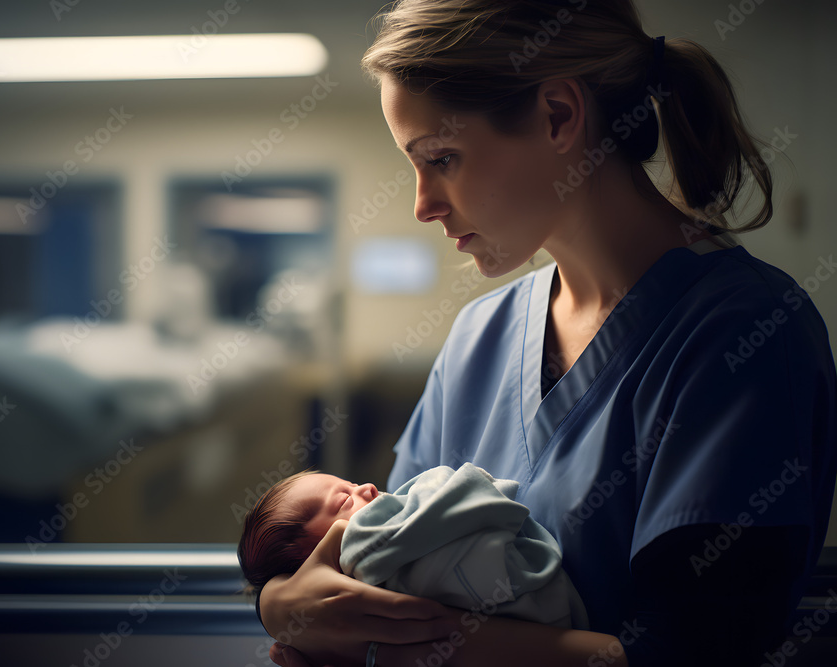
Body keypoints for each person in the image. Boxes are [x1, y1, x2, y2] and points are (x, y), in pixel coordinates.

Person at [257, 1, 837, 666]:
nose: (423, 204)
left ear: (559, 115)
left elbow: (691, 653)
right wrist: (279, 599)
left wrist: (379, 641)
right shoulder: (481, 334)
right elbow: (374, 557)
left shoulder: (745, 334)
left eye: (442, 156)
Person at [239, 464, 589, 630]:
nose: (369, 487)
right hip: (548, 610)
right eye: (344, 498)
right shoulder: (363, 547)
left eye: (353, 482)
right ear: (314, 558)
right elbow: (472, 491)